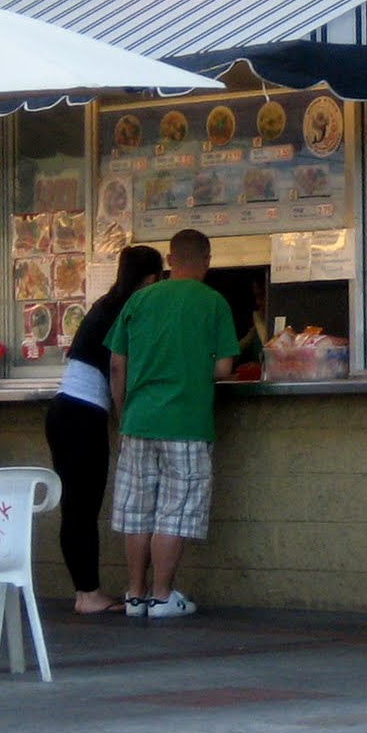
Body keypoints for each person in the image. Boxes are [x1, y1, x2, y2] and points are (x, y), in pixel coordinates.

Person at [107, 227, 238, 619]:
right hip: (186, 422)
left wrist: (121, 414)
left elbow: (117, 365)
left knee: (137, 510)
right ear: (207, 262)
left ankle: (135, 595)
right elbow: (224, 368)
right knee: (174, 511)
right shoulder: (213, 302)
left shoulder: (139, 300)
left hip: (138, 420)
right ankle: (163, 597)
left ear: (169, 259)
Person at [44, 243, 164, 614]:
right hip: (83, 414)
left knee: (76, 505)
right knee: (83, 505)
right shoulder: (129, 310)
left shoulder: (105, 304)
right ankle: (87, 594)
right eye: (158, 278)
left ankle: (86, 591)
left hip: (65, 410)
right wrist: (124, 417)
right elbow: (117, 369)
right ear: (150, 278)